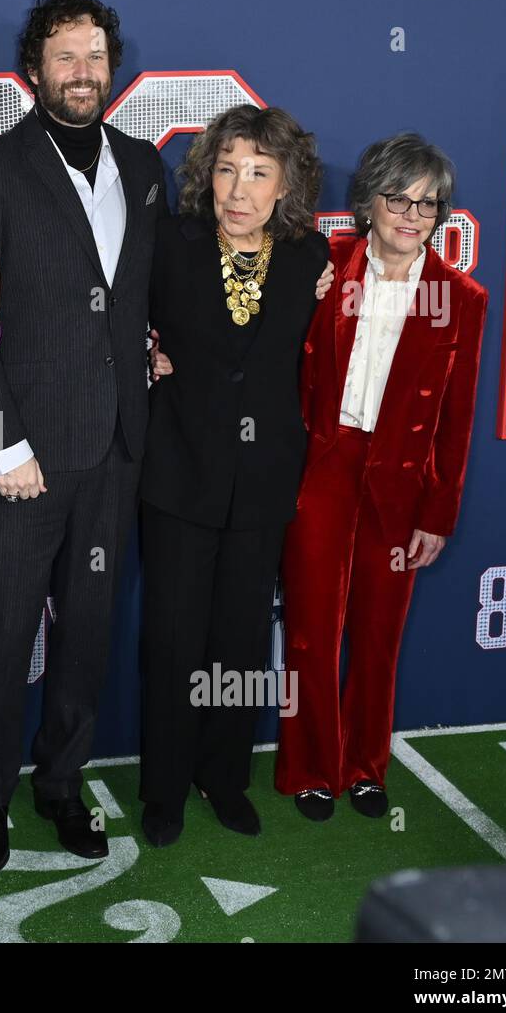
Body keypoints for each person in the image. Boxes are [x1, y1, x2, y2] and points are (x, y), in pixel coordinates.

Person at [0, 0, 169, 872]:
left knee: (89, 631)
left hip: (114, 452)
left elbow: (154, 294)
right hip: (20, 459)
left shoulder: (144, 168)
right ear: (33, 71)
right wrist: (6, 448)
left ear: (112, 65)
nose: (81, 71)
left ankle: (61, 784)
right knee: (2, 634)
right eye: (64, 55)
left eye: (94, 54)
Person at [275, 134, 487, 821]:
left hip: (399, 484)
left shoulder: (460, 297)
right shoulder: (325, 263)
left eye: (428, 204)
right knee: (309, 627)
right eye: (399, 197)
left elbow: (458, 419)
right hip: (325, 467)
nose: (411, 214)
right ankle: (310, 765)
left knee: (378, 633)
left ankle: (366, 766)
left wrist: (438, 513)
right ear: (369, 201)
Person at [139, 104, 329, 847]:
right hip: (180, 475)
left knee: (242, 643)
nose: (238, 189)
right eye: (225, 169)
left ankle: (224, 778)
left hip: (264, 483)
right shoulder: (169, 244)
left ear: (286, 184)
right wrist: (144, 361)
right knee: (173, 639)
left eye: (257, 172)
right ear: (206, 177)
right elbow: (113, 322)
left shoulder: (312, 258)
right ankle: (163, 791)